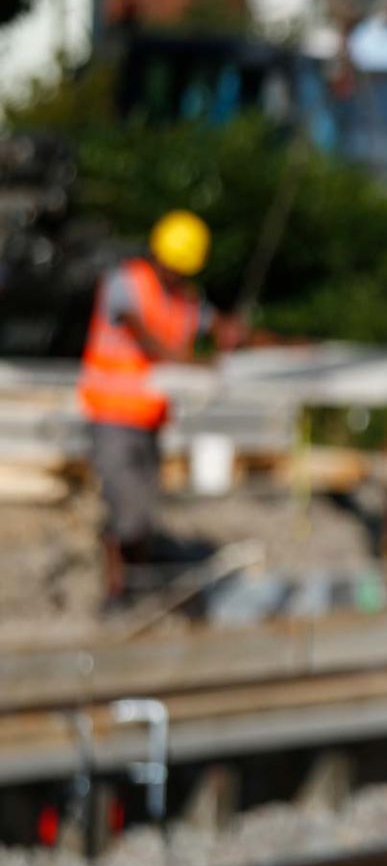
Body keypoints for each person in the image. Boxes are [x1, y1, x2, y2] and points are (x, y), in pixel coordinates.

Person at [78, 210, 222, 604]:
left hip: (151, 420)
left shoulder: (184, 300)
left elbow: (217, 327)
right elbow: (143, 337)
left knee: (143, 508)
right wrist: (193, 363)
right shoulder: (126, 283)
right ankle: (116, 591)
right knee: (125, 508)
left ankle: (138, 583)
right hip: (111, 415)